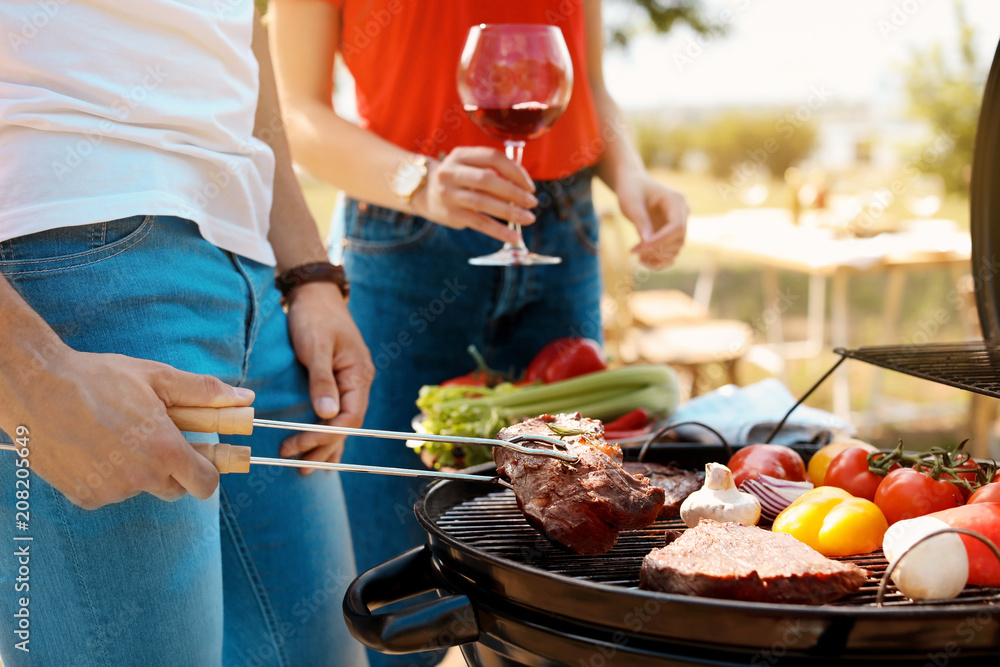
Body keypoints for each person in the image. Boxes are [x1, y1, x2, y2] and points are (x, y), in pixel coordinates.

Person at [271, 2, 687, 663]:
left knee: (566, 572)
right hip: (404, 238)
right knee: (392, 591)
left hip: (563, 234)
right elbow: (298, 113)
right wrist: (423, 182)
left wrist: (630, 175)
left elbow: (590, 86)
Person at [0, 2, 373, 665]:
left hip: (253, 275)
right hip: (71, 277)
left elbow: (241, 34)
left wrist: (308, 271)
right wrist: (30, 370)